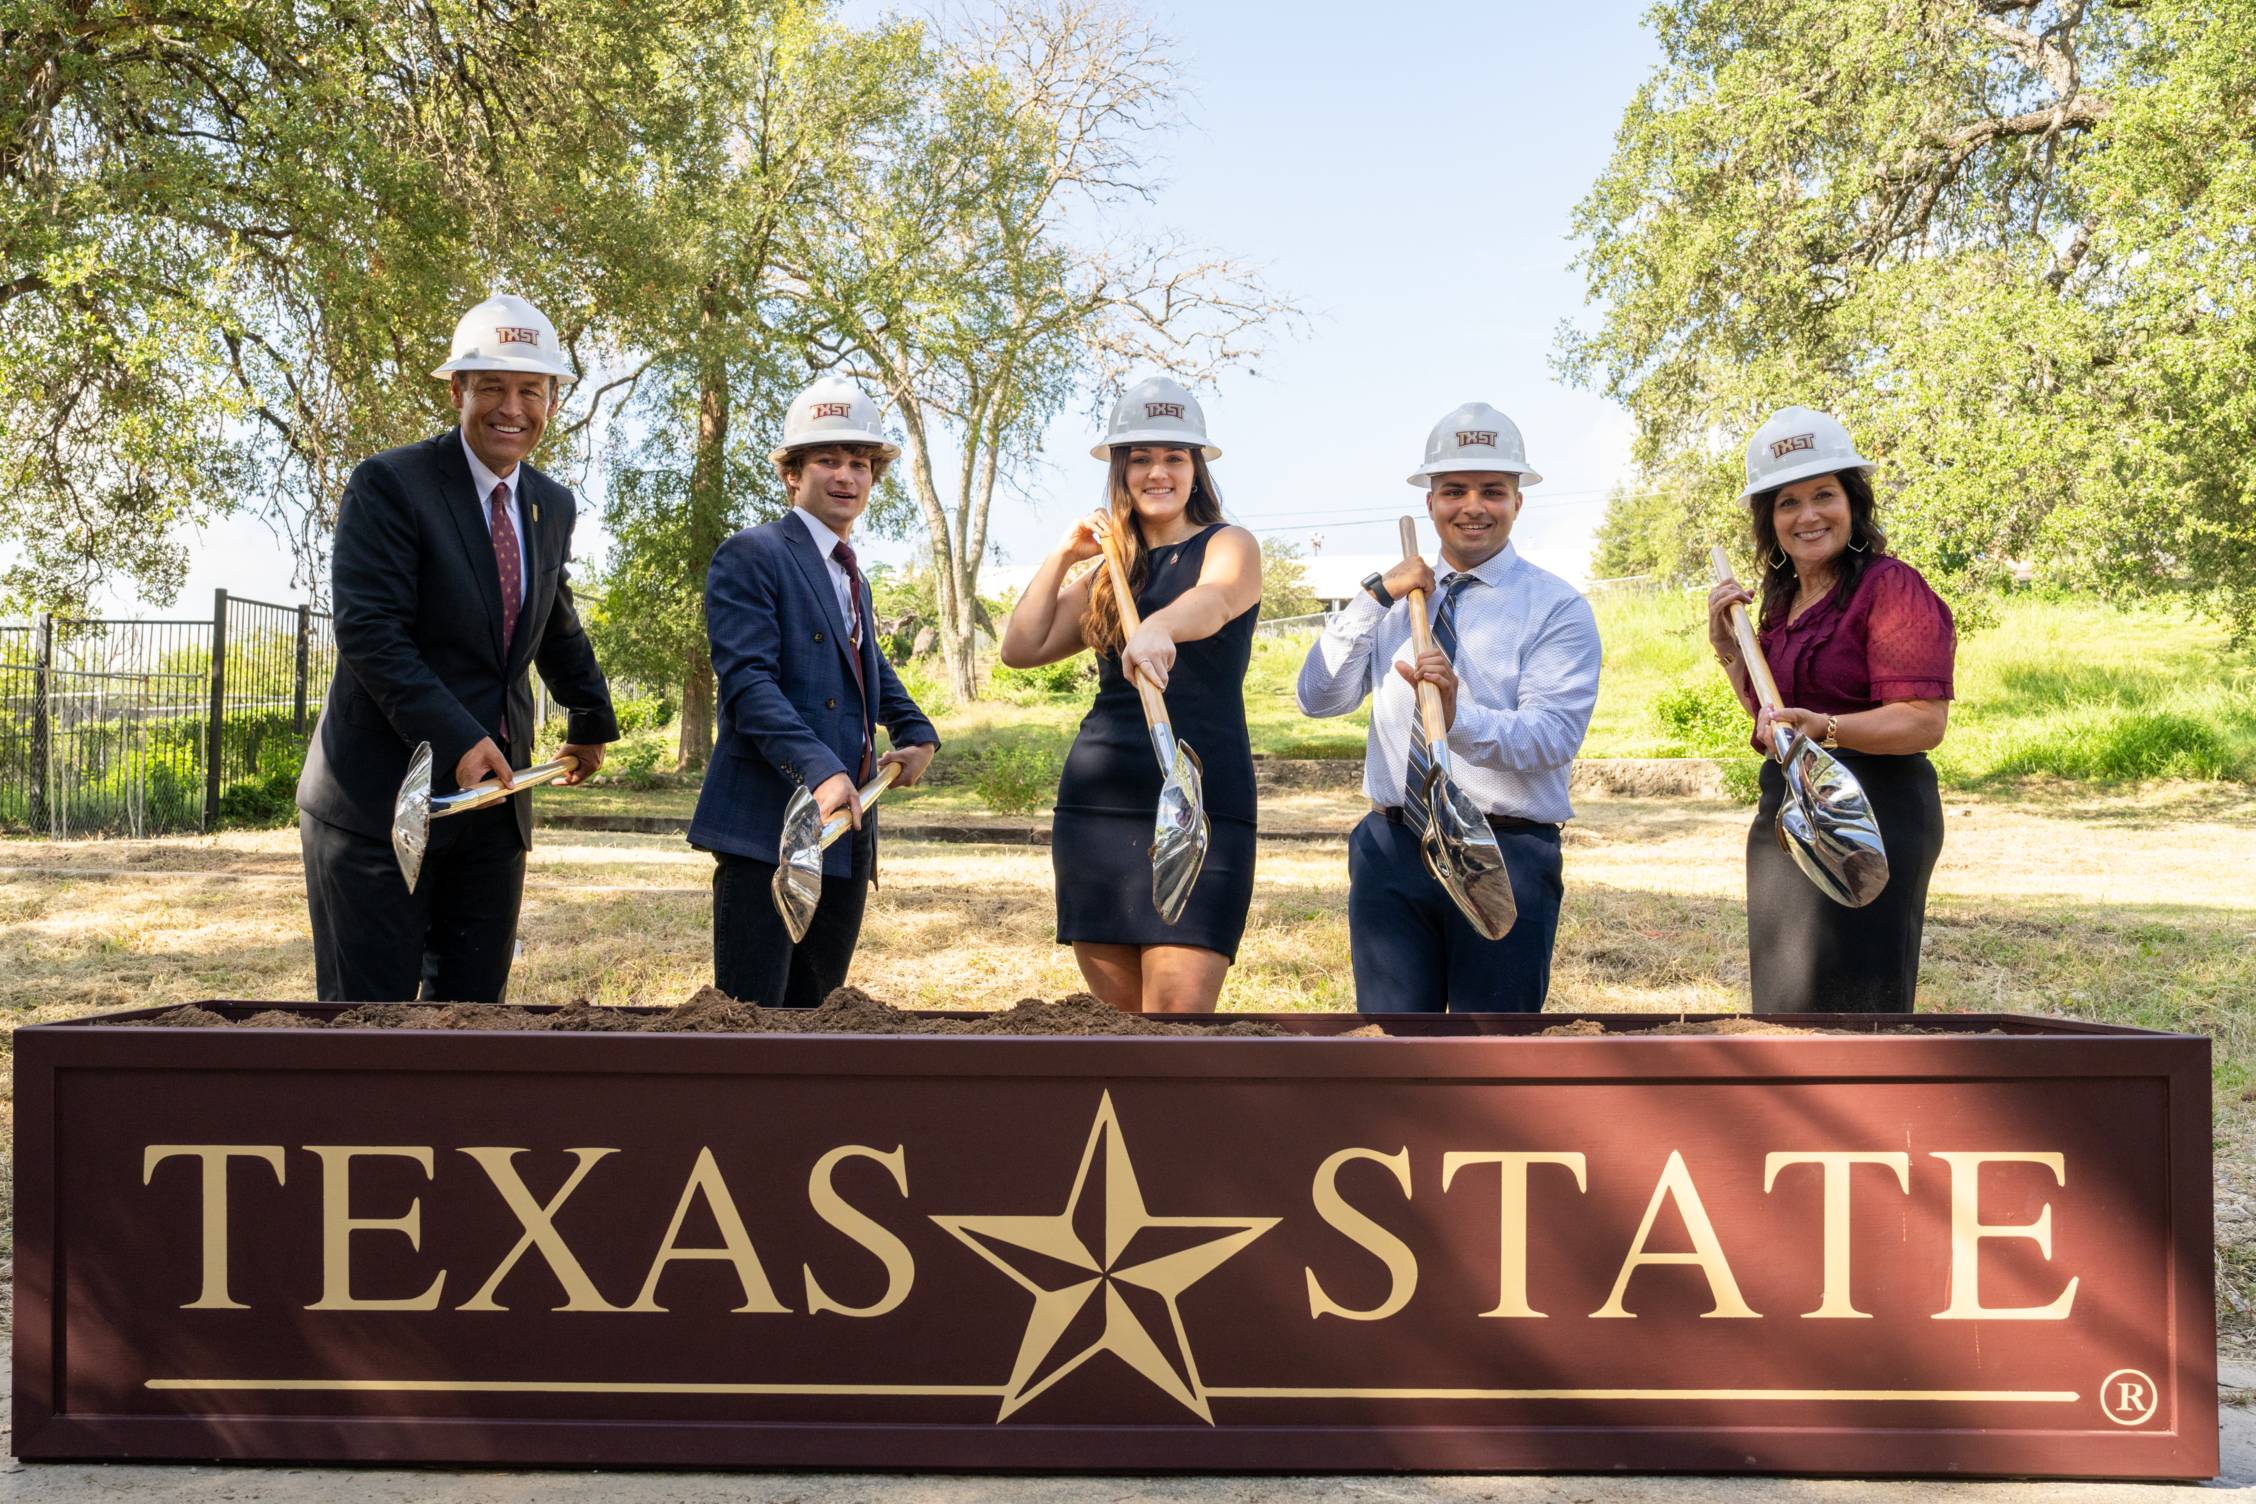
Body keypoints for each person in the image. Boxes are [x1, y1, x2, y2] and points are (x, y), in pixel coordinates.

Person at [296, 293, 616, 1004]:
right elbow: (370, 631)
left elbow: (551, 618)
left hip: (492, 813)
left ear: (553, 399)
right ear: (457, 391)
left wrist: (591, 717)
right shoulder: (390, 485)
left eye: (530, 390)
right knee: (366, 1031)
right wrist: (456, 738)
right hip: (377, 806)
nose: (512, 408)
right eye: (492, 387)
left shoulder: (550, 504)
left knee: (472, 1027)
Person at [1297, 403, 1600, 1013]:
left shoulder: (1556, 608)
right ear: (1431, 500)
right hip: (1391, 847)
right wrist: (1376, 595)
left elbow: (1553, 739)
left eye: (1493, 490)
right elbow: (1318, 697)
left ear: (1518, 501)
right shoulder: (1392, 600)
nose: (1473, 506)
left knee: (1492, 1058)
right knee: (1393, 1057)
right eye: (1454, 490)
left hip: (1505, 850)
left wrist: (1457, 715)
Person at [999, 377, 1262, 1014]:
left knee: (1174, 1023)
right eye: (1140, 458)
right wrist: (1065, 556)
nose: (1157, 472)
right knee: (1117, 1030)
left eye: (1174, 457)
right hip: (1100, 801)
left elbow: (1216, 598)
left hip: (1199, 793)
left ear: (1197, 469)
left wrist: (1159, 629)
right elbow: (1020, 647)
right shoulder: (1109, 571)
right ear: (1120, 470)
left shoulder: (1228, 544)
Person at [687, 376, 939, 1008]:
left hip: (844, 834)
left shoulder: (851, 575)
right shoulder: (752, 554)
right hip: (766, 829)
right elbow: (749, 683)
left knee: (818, 1012)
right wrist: (822, 770)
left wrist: (915, 730)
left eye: (860, 463)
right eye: (827, 459)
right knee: (753, 1018)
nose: (846, 475)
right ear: (792, 474)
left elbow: (865, 664)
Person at [1706, 406, 1955, 1013]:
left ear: (1854, 503)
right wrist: (1729, 650)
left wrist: (1828, 730)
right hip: (1787, 805)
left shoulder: (1891, 587)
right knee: (1786, 1001)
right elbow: (1771, 714)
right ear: (1771, 520)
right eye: (1787, 502)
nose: (1808, 514)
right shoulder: (1783, 598)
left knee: (1856, 1004)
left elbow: (1923, 720)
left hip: (1874, 805)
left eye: (1824, 494)